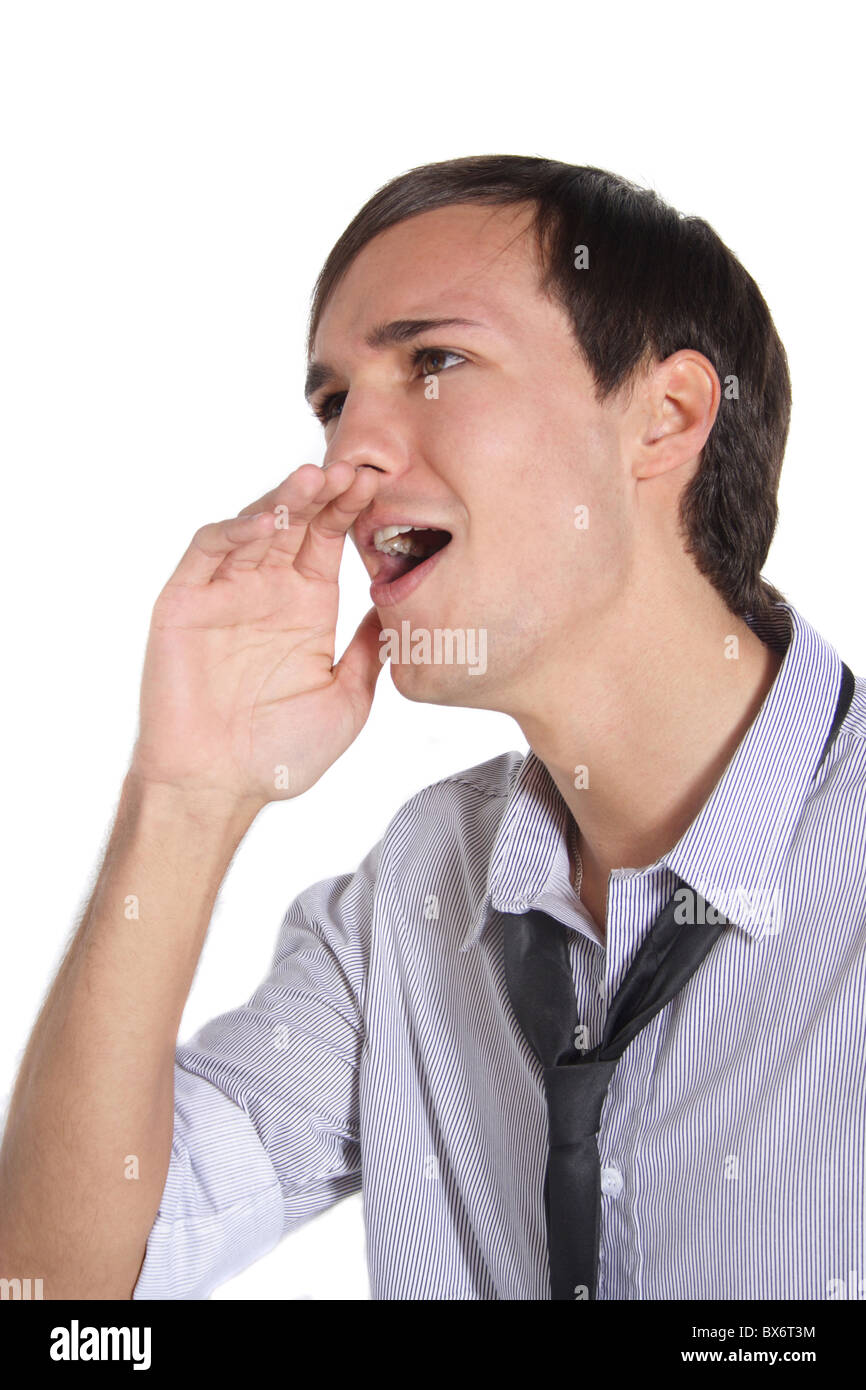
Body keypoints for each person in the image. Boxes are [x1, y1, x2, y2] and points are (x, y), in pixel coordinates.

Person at [1, 155, 863, 1301]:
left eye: (433, 361)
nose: (344, 458)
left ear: (665, 418)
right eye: (332, 402)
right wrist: (185, 794)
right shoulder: (418, 899)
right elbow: (58, 1293)